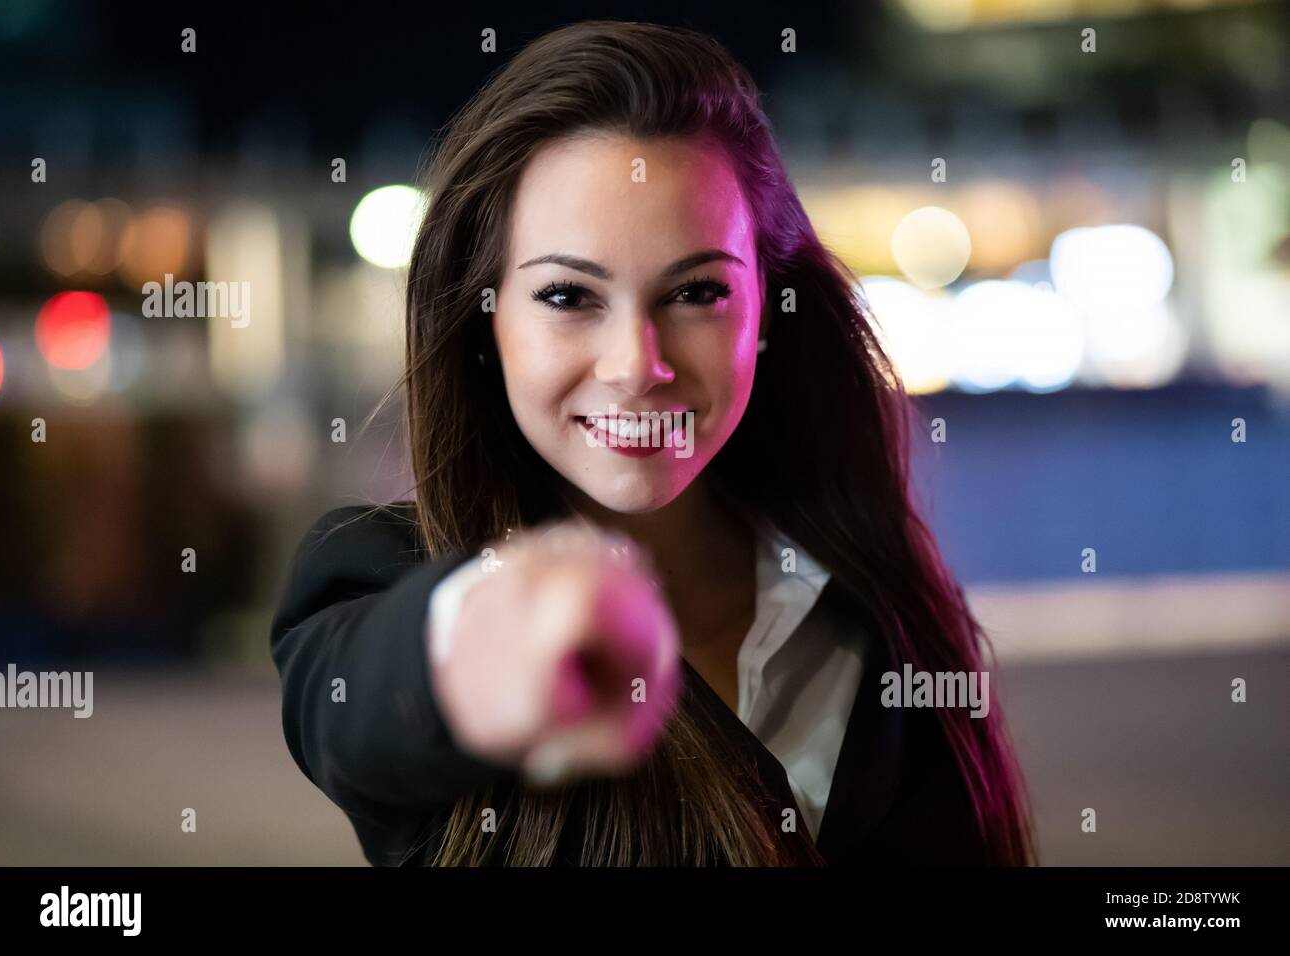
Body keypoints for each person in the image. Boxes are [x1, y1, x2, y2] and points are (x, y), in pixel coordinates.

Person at [270, 19, 1035, 866]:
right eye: (568, 297)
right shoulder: (374, 573)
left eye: (697, 291)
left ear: (769, 315)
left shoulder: (882, 604)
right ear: (484, 321)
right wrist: (490, 638)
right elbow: (357, 705)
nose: (637, 366)